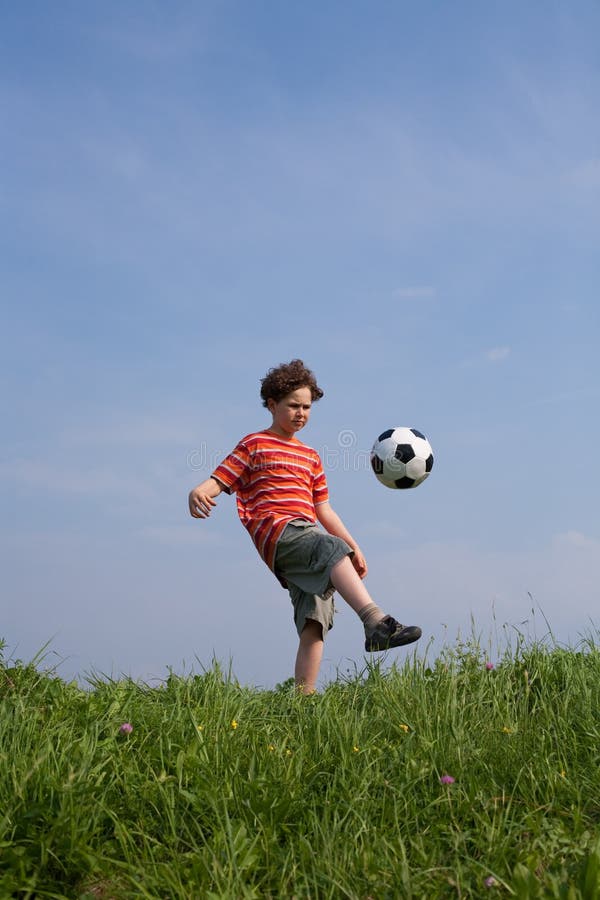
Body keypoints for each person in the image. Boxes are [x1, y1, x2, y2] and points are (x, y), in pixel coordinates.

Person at [188, 359, 421, 693]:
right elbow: (220, 479)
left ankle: (303, 702)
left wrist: (353, 547)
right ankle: (376, 621)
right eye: (293, 405)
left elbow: (324, 509)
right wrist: (199, 492)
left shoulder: (311, 457)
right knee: (327, 546)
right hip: (280, 533)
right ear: (272, 404)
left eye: (307, 407)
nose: (301, 413)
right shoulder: (255, 444)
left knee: (315, 619)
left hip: (306, 537)